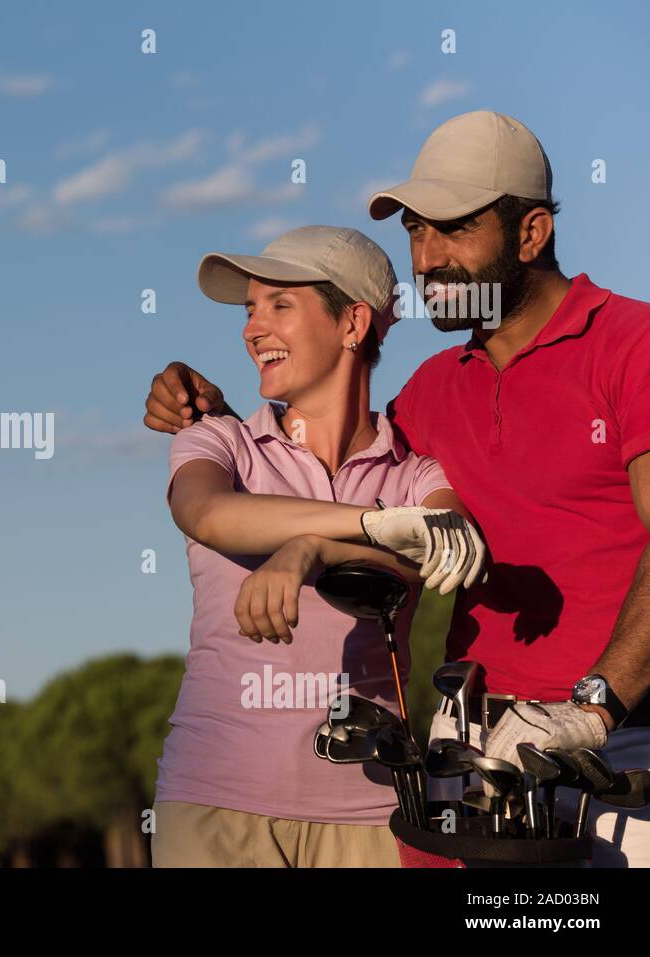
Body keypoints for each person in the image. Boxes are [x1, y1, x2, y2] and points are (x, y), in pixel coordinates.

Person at [145, 111, 650, 866]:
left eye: (454, 230)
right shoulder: (428, 396)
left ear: (532, 232)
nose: (428, 258)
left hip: (615, 744)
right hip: (469, 760)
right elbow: (357, 486)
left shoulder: (632, 343)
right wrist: (212, 412)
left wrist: (595, 703)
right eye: (417, 231)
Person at [151, 224, 486, 867]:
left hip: (372, 816)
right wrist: (365, 524)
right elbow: (210, 514)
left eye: (280, 304)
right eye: (250, 309)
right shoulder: (219, 442)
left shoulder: (415, 472)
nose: (252, 328)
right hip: (214, 808)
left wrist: (312, 550)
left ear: (353, 323)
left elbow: (441, 547)